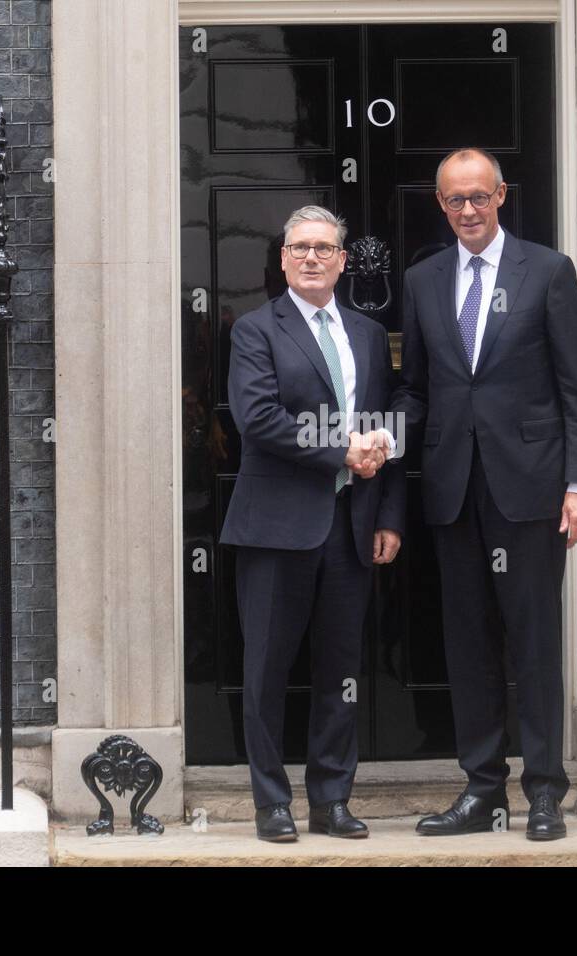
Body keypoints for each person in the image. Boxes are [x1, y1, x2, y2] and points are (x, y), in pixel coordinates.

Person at [386, 147, 577, 840]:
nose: (469, 210)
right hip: (453, 494)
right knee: (468, 645)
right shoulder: (421, 281)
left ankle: (543, 792)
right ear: (440, 205)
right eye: (456, 200)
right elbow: (417, 390)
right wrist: (381, 441)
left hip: (532, 492)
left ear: (502, 195)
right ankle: (483, 791)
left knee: (534, 642)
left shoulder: (547, 271)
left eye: (480, 196)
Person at [220, 204, 404, 842]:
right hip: (275, 529)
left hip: (351, 528)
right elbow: (258, 419)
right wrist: (340, 451)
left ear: (343, 261)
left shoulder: (368, 335)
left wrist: (388, 514)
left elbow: (385, 423)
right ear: (283, 258)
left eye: (324, 248)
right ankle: (271, 802)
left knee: (341, 671)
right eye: (299, 247)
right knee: (266, 669)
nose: (311, 258)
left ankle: (331, 800)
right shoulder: (255, 331)